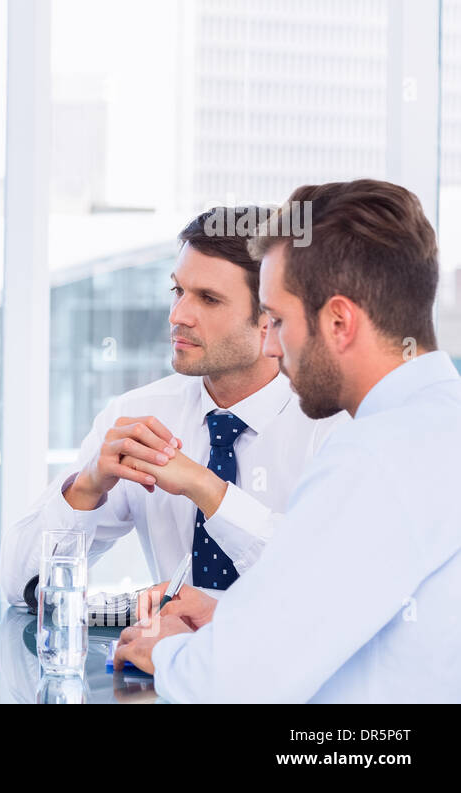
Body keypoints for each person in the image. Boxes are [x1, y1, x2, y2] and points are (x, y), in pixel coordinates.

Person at [114, 179, 461, 703]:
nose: (270, 347)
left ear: (340, 321)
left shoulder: (372, 455)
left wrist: (164, 649)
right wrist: (234, 619)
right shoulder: (437, 423)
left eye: (276, 321)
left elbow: (233, 684)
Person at [0, 207, 346, 607]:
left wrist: (206, 489)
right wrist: (86, 487)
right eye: (178, 291)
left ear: (271, 316)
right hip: (165, 667)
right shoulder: (140, 415)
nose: (177, 316)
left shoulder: (335, 425)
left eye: (209, 299)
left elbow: (327, 589)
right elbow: (19, 588)